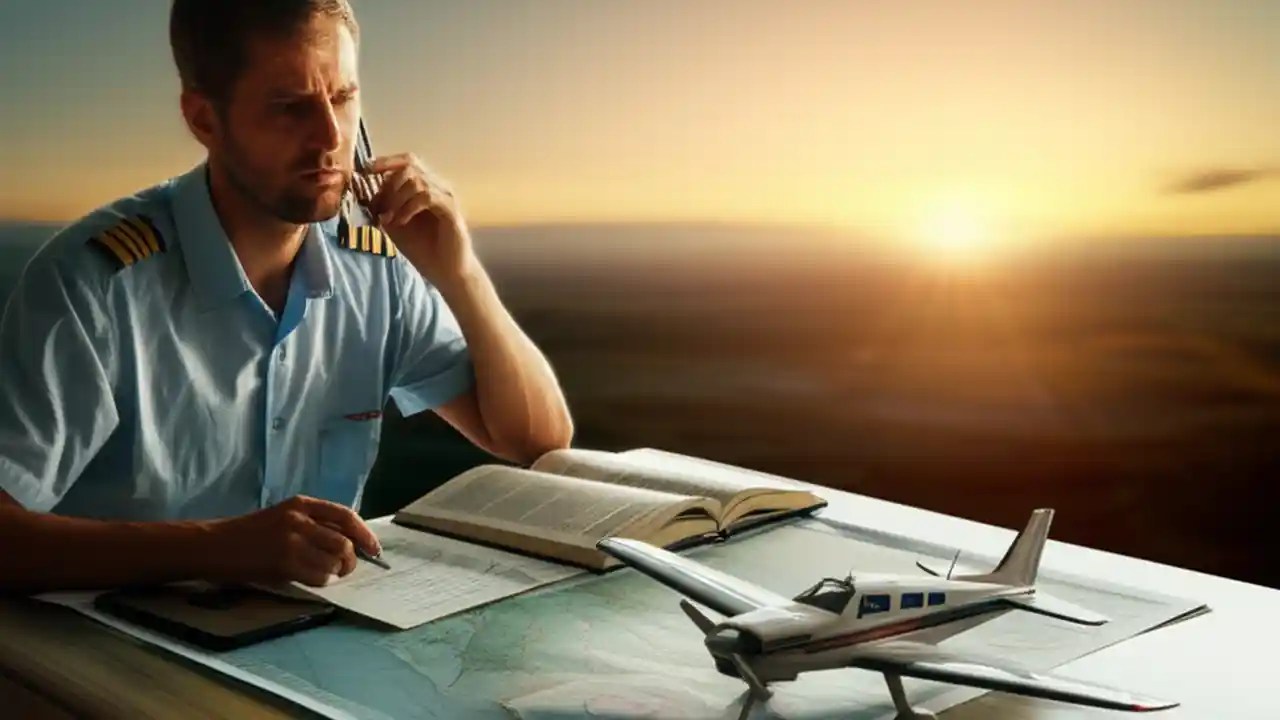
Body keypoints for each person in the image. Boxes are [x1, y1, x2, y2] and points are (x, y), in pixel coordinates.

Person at [0, 0, 574, 593]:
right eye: (290, 107)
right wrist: (214, 548)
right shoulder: (94, 283)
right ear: (204, 119)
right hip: (106, 659)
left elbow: (535, 439)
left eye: (344, 97)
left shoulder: (375, 270)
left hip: (301, 638)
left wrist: (460, 273)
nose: (330, 136)